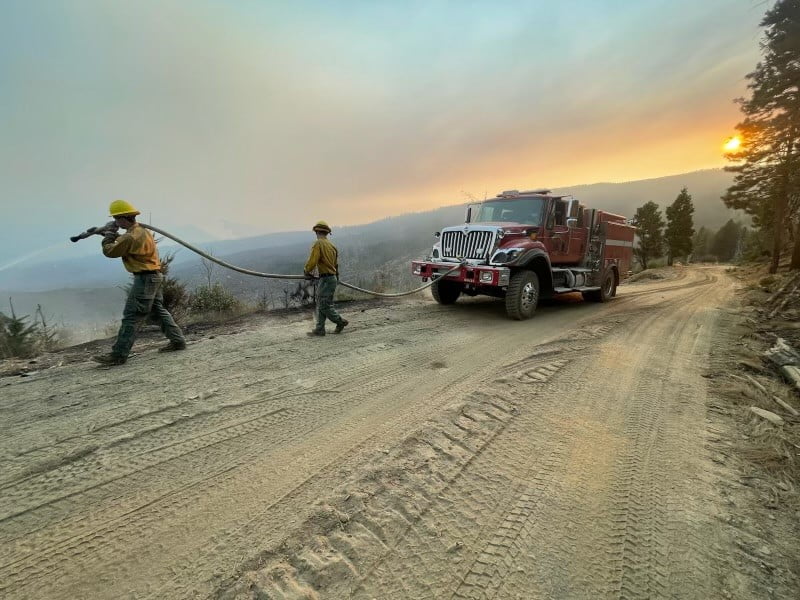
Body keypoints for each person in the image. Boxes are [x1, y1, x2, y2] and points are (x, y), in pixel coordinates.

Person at [92, 200, 187, 366]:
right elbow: (127, 242)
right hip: (154, 277)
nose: (115, 222)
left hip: (144, 279)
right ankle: (178, 341)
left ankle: (118, 355)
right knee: (157, 312)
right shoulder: (141, 232)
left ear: (123, 218)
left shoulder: (130, 236)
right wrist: (111, 235)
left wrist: (108, 237)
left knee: (132, 316)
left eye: (116, 219)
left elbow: (110, 251)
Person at [304, 221, 348, 337]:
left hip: (326, 279)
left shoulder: (318, 244)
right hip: (331, 278)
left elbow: (313, 261)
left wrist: (307, 271)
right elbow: (336, 265)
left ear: (317, 232)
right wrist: (336, 277)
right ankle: (320, 329)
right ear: (327, 233)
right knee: (321, 303)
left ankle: (340, 321)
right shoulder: (332, 246)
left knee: (324, 305)